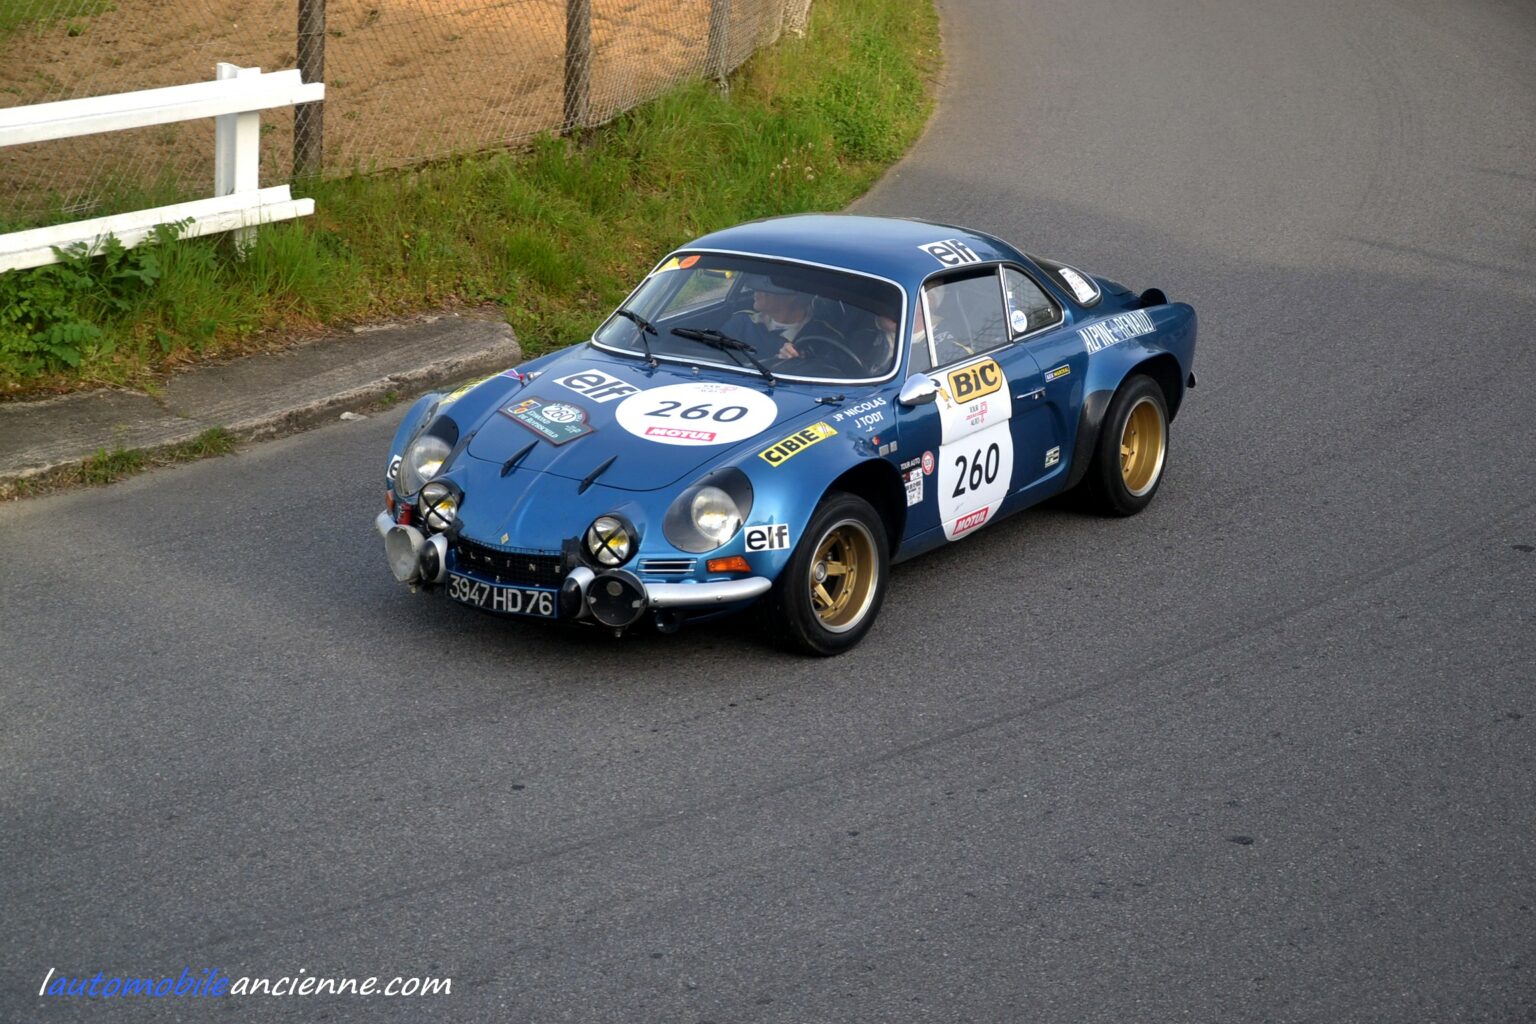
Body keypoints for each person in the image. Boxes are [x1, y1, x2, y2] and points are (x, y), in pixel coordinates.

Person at [719, 274, 846, 368]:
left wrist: (802, 360)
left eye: (767, 288)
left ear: (792, 297)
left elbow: (834, 376)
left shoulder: (825, 337)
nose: (757, 291)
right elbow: (712, 355)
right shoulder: (741, 322)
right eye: (757, 286)